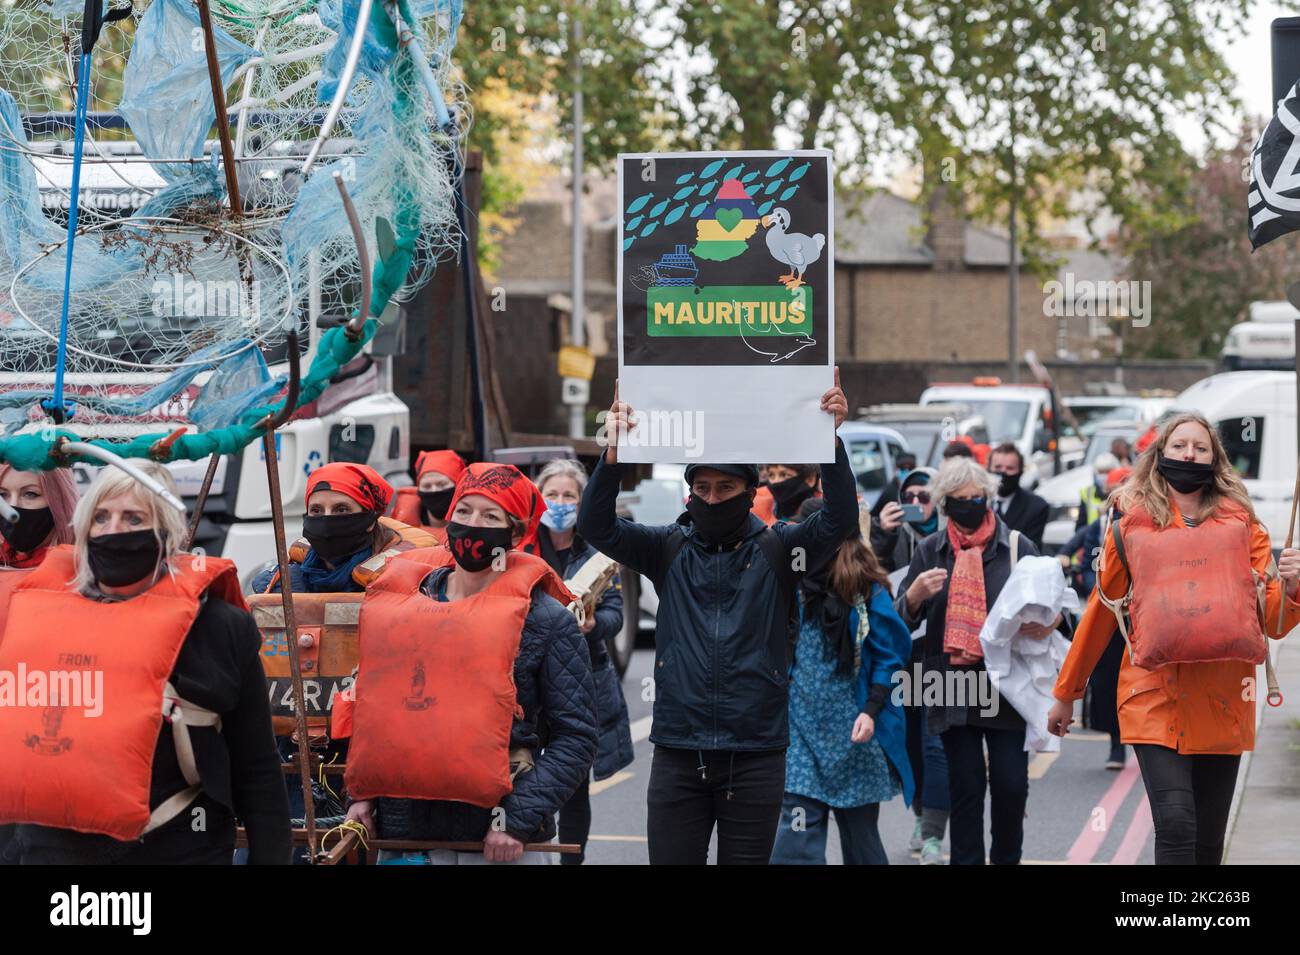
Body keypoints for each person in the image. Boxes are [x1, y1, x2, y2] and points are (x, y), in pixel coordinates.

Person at [578, 370, 857, 865]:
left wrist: (828, 441)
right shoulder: (666, 547)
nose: (711, 497)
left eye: (724, 487)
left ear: (750, 492)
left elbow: (839, 521)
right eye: (701, 487)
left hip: (755, 753)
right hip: (678, 751)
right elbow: (596, 525)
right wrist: (613, 458)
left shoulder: (780, 550)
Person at [0, 461, 289, 863]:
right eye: (101, 517)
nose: (113, 529)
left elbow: (257, 766)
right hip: (53, 854)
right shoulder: (33, 615)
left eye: (133, 517)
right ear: (84, 529)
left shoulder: (219, 627)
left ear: (167, 534)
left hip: (179, 847)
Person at [1048, 413, 1300, 864]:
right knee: (1177, 823)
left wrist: (1294, 587)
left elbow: (1274, 621)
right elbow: (1100, 615)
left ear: (1215, 459)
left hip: (1223, 697)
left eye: (1201, 448)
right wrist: (1067, 693)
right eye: (1180, 445)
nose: (1190, 454)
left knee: (1207, 842)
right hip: (1152, 694)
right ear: (1160, 454)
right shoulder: (1129, 527)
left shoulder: (1246, 527)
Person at [344, 463, 597, 864]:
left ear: (516, 533)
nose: (473, 524)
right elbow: (374, 710)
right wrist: (361, 796)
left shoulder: (546, 621)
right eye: (464, 512)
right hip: (405, 832)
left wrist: (515, 820)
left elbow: (576, 736)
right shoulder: (401, 606)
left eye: (490, 516)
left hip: (499, 839)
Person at [896, 457, 1062, 865]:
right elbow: (898, 618)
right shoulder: (929, 550)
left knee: (1010, 785)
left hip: (1005, 680)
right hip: (949, 680)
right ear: (945, 504)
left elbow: (1057, 608)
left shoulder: (1018, 546)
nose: (971, 505)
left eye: (978, 497)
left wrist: (1051, 620)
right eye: (960, 499)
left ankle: (1006, 859)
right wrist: (915, 595)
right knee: (965, 787)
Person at [770, 529, 914, 865]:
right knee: (794, 837)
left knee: (862, 843)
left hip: (856, 735)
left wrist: (872, 709)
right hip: (800, 737)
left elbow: (889, 657)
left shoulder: (866, 590)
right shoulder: (791, 584)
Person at [527, 458, 633, 865]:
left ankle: (573, 860)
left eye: (568, 495)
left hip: (582, 679)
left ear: (582, 500)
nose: (559, 502)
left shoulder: (599, 551)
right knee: (529, 776)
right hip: (532, 682)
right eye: (551, 494)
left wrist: (593, 624)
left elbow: (616, 616)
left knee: (573, 783)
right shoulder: (522, 547)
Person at [250, 462, 435, 594]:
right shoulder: (278, 585)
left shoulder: (405, 585)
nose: (327, 519)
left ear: (370, 521)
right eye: (316, 510)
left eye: (341, 509)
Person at [1057, 464, 1131, 770]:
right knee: (1109, 681)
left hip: (1142, 616)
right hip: (1108, 612)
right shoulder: (1100, 526)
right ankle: (1117, 745)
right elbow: (1085, 560)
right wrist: (1100, 591)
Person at [0, 465, 78, 568]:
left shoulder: (89, 568)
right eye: (2, 495)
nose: (13, 505)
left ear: (60, 500)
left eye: (30, 494)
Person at [871, 466, 938, 574]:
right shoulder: (897, 532)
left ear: (938, 499)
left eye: (924, 496)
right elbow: (878, 570)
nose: (915, 503)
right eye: (909, 497)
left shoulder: (951, 530)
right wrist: (883, 534)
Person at [390, 449, 468, 542]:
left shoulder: (470, 526)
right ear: (418, 489)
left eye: (442, 484)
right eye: (427, 486)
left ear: (457, 487)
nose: (434, 490)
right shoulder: (398, 527)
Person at [987, 442, 1050, 549]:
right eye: (998, 467)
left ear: (1020, 471)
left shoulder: (1036, 507)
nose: (1003, 472)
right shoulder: (979, 502)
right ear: (989, 469)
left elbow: (1030, 548)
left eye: (1010, 468)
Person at [1076, 452, 1119, 533]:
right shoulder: (1087, 492)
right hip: (1093, 538)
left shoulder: (1121, 494)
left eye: (1107, 472)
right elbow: (1080, 524)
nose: (1104, 476)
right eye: (1101, 472)